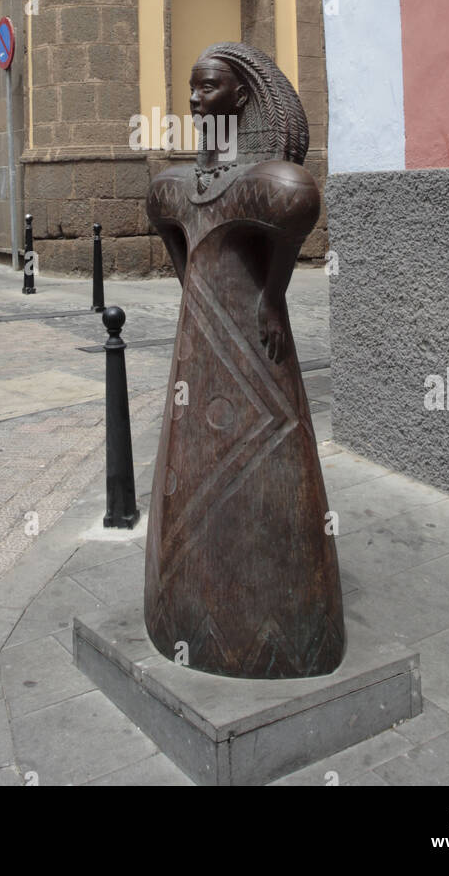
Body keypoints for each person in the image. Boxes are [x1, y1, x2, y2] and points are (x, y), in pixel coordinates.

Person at [144, 42, 346, 678]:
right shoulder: (177, 183)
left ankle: (285, 625)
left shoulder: (265, 179)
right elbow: (169, 221)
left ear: (242, 96)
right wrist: (194, 292)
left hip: (255, 348)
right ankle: (181, 607)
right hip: (202, 340)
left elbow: (296, 203)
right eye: (193, 88)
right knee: (191, 462)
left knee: (272, 480)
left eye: (209, 87)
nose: (197, 98)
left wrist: (271, 295)